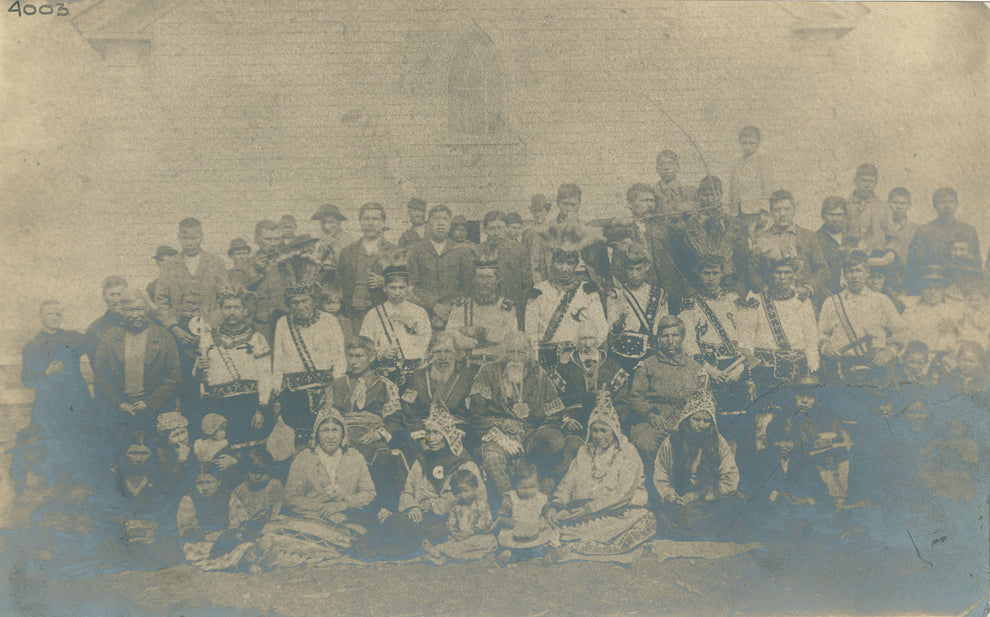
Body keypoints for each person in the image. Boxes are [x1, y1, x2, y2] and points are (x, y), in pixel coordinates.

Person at [355, 404, 483, 561]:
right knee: (392, 522)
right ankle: (372, 549)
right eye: (428, 433)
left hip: (452, 521)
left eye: (437, 433)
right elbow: (407, 491)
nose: (432, 438)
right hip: (421, 516)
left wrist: (433, 505)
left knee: (401, 529)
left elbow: (475, 498)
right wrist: (412, 506)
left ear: (448, 435)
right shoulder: (422, 460)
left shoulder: (464, 463)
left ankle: (382, 551)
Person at [546, 394, 656, 564]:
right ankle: (576, 542)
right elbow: (568, 483)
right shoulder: (584, 451)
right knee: (553, 522)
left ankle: (574, 547)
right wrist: (556, 505)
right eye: (594, 430)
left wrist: (591, 508)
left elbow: (624, 493)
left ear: (614, 430)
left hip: (617, 511)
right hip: (581, 512)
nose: (598, 436)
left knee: (644, 519)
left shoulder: (627, 452)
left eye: (603, 430)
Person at [260, 409, 376, 566]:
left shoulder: (355, 457)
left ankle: (327, 547)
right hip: (312, 516)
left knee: (362, 536)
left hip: (348, 515)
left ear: (343, 434)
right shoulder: (304, 458)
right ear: (317, 434)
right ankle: (331, 548)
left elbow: (369, 492)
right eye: (325, 430)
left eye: (335, 430)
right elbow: (290, 497)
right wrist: (324, 510)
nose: (330, 436)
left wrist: (343, 504)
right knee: (274, 530)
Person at [468, 333, 568, 497]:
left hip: (530, 434)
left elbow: (555, 413)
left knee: (552, 451)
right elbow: (476, 416)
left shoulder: (538, 374)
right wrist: (503, 440)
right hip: (496, 435)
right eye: (511, 352)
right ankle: (508, 506)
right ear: (503, 353)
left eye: (520, 352)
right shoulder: (488, 372)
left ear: (528, 354)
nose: (515, 358)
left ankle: (540, 506)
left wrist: (538, 436)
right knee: (492, 459)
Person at [155, 218, 227, 426]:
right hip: (180, 335)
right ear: (179, 238)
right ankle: (191, 433)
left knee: (214, 382)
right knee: (186, 386)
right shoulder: (170, 265)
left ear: (202, 237)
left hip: (210, 332)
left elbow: (225, 298)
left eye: (194, 237)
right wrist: (174, 328)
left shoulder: (215, 262)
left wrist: (209, 327)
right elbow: (161, 300)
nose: (189, 242)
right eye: (184, 237)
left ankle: (215, 433)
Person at [94, 288, 181, 448]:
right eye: (129, 310)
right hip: (121, 411)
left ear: (146, 309)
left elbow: (173, 377)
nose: (135, 315)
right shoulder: (110, 338)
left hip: (155, 410)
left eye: (139, 309)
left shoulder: (163, 336)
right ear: (121, 311)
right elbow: (101, 376)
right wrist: (119, 403)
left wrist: (150, 402)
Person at [653, 389, 744, 540]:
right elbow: (661, 474)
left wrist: (700, 495)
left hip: (708, 497)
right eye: (697, 419)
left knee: (735, 507)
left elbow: (729, 479)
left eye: (706, 421)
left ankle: (692, 530)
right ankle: (699, 531)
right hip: (681, 498)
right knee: (665, 514)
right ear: (687, 418)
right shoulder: (671, 442)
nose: (702, 425)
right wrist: (671, 494)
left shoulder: (718, 442)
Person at [329, 336, 404, 511]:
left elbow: (395, 419)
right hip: (342, 436)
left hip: (370, 436)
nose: (353, 361)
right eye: (351, 356)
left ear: (371, 358)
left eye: (359, 356)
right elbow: (328, 415)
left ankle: (379, 508)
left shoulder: (385, 385)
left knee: (382, 455)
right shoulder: (338, 384)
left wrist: (379, 434)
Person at [271, 279, 347, 448]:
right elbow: (278, 360)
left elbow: (339, 358)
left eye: (304, 300)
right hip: (294, 393)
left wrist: (336, 390)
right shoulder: (283, 323)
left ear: (313, 300)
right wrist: (276, 391)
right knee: (299, 441)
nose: (300, 306)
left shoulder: (329, 320)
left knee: (325, 439)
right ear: (289, 304)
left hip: (325, 391)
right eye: (295, 302)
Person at [194, 288, 273, 447]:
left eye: (236, 307)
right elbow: (201, 378)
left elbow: (265, 378)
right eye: (227, 307)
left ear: (245, 311)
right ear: (221, 310)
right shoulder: (208, 339)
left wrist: (261, 409)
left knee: (251, 451)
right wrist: (200, 371)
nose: (232, 312)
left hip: (249, 405)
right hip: (220, 407)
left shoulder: (256, 339)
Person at [525, 224, 608, 368]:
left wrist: (585, 351)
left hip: (579, 360)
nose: (564, 268)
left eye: (569, 263)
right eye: (560, 262)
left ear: (576, 264)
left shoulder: (588, 291)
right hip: (547, 361)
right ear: (553, 263)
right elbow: (530, 332)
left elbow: (601, 330)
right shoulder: (538, 291)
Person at [819, 251, 908, 385]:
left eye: (858, 271)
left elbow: (902, 331)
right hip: (841, 369)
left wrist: (889, 351)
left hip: (874, 369)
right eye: (849, 272)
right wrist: (825, 347)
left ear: (867, 273)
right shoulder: (832, 302)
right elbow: (820, 333)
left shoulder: (881, 300)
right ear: (844, 274)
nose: (854, 276)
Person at [627, 316, 706, 466]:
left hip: (685, 423)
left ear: (682, 337)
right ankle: (656, 486)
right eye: (665, 336)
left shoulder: (695, 368)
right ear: (658, 339)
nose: (670, 340)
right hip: (652, 423)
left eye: (675, 335)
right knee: (646, 444)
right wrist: (651, 415)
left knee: (692, 449)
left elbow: (704, 400)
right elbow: (635, 398)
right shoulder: (647, 365)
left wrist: (690, 421)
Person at [742, 416, 833, 541]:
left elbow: (820, 489)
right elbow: (753, 484)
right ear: (769, 440)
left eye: (787, 440)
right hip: (772, 507)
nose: (782, 445)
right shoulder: (763, 457)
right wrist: (774, 495)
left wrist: (805, 500)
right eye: (777, 440)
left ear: (795, 442)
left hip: (799, 508)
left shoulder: (804, 459)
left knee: (816, 516)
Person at [739, 258, 822, 393]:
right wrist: (749, 370)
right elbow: (746, 337)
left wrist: (813, 364)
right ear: (770, 274)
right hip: (765, 370)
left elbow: (810, 337)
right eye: (778, 272)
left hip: (797, 369)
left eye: (787, 272)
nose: (782, 277)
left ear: (794, 275)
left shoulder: (802, 301)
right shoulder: (756, 300)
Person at [21, 300, 93, 450]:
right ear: (40, 316)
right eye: (49, 314)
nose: (54, 317)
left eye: (57, 314)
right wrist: (46, 372)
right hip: (50, 405)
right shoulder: (32, 346)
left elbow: (96, 345)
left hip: (77, 400)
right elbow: (26, 380)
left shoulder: (73, 338)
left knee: (82, 444)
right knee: (52, 447)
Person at [392, 333, 474, 461]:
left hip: (455, 430)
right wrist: (424, 435)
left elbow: (471, 412)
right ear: (430, 354)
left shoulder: (466, 377)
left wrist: (457, 430)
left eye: (447, 351)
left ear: (456, 354)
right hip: (424, 430)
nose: (442, 357)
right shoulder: (417, 377)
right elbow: (408, 410)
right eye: (437, 352)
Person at [549, 329, 630, 454]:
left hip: (606, 423)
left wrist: (613, 421)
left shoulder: (612, 366)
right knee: (574, 447)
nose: (587, 344)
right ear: (577, 341)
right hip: (576, 422)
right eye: (583, 339)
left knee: (619, 451)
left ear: (598, 340)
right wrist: (565, 419)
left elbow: (623, 399)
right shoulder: (565, 367)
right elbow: (553, 396)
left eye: (591, 338)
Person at [749, 190, 830, 304]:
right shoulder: (762, 237)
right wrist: (764, 289)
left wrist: (808, 288)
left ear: (794, 211)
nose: (782, 214)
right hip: (773, 300)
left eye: (787, 209)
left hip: (803, 299)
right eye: (777, 210)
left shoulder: (808, 236)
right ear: (771, 212)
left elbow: (823, 269)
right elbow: (752, 271)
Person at [359, 262, 432, 386]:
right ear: (384, 288)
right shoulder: (374, 314)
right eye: (393, 288)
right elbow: (365, 346)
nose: (397, 292)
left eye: (401, 287)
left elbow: (427, 341)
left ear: (409, 288)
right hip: (384, 373)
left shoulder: (419, 312)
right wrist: (381, 354)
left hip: (414, 373)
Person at [407, 204, 476, 329]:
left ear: (450, 224)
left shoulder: (462, 250)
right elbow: (412, 285)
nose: (440, 223)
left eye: (445, 219)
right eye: (436, 219)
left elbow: (468, 285)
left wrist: (449, 306)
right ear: (428, 223)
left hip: (454, 313)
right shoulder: (416, 250)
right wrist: (433, 305)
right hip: (424, 313)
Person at [606, 243, 672, 370]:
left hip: (650, 356)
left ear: (647, 267)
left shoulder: (658, 294)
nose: (634, 274)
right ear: (624, 269)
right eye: (630, 269)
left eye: (639, 269)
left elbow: (662, 328)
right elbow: (611, 332)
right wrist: (620, 320)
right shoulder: (616, 294)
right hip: (620, 356)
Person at [444, 259, 520, 369]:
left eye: (489, 277)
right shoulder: (461, 306)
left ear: (497, 280)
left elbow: (511, 340)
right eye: (480, 277)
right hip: (467, 366)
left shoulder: (506, 308)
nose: (484, 283)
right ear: (473, 280)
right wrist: (477, 342)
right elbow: (450, 338)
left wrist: (483, 333)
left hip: (497, 367)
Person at [683, 176, 751, 295]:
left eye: (714, 194)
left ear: (720, 195)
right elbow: (685, 260)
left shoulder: (733, 224)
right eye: (705, 194)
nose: (709, 199)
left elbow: (742, 258)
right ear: (699, 196)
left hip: (730, 284)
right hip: (699, 286)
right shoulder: (691, 225)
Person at [337, 202, 399, 329]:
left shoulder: (394, 251)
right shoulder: (348, 252)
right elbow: (339, 284)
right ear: (360, 221)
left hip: (383, 315)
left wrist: (385, 282)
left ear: (383, 222)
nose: (370, 223)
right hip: (353, 315)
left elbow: (404, 285)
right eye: (366, 218)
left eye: (375, 219)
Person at [421, 468, 497, 564]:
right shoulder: (456, 505)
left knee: (478, 543)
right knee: (454, 544)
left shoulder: (480, 504)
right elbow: (451, 521)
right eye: (458, 492)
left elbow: (483, 523)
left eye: (466, 491)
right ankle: (440, 553)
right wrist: (455, 533)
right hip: (461, 537)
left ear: (475, 488)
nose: (463, 495)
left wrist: (469, 533)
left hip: (479, 535)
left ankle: (441, 554)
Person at [908, 187, 981, 282]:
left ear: (956, 204)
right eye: (942, 202)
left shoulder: (969, 231)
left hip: (962, 283)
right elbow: (914, 265)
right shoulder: (924, 231)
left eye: (951, 201)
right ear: (935, 206)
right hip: (933, 283)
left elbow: (977, 264)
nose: (947, 206)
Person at [494, 462, 559, 565]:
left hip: (536, 533)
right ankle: (509, 555)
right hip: (517, 534)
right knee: (513, 547)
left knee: (552, 534)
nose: (528, 491)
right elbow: (500, 517)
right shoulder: (510, 499)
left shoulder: (540, 498)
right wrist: (515, 524)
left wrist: (548, 519)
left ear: (538, 484)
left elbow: (546, 513)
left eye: (532, 487)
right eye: (523, 488)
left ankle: (549, 553)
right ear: (516, 485)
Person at [900, 266, 966, 367]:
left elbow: (960, 337)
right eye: (928, 288)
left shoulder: (952, 311)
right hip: (916, 359)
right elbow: (904, 336)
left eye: (937, 288)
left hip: (944, 359)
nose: (932, 292)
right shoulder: (911, 311)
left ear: (943, 291)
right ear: (922, 290)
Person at [478, 210, 533, 327]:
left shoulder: (519, 250)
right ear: (485, 230)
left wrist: (520, 309)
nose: (496, 233)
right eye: (491, 228)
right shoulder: (477, 251)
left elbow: (526, 284)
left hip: (512, 308)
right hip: (485, 309)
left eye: (499, 228)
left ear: (505, 228)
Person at [240, 220, 288, 343]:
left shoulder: (287, 262)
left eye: (276, 239)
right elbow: (238, 291)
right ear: (257, 239)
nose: (273, 244)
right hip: (257, 324)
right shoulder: (246, 264)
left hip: (284, 321)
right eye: (268, 239)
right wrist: (257, 273)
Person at [176, 465, 231, 566]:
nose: (205, 488)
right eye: (199, 483)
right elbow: (185, 530)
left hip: (224, 538)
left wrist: (225, 536)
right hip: (200, 541)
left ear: (219, 482)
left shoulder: (228, 497)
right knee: (193, 550)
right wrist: (207, 536)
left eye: (209, 482)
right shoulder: (189, 499)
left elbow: (238, 521)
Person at [727, 125, 774, 234]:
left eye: (752, 143)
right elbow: (732, 188)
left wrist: (764, 211)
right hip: (738, 211)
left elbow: (767, 188)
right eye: (744, 143)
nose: (748, 147)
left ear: (758, 143)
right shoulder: (737, 162)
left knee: (753, 237)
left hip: (755, 211)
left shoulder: (762, 161)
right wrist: (732, 210)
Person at [814, 197, 856, 300]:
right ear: (823, 215)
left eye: (839, 215)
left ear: (845, 216)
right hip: (828, 297)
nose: (835, 219)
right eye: (831, 214)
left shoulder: (852, 239)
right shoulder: (814, 240)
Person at [84, 275, 128, 363]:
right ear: (104, 296)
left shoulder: (136, 323)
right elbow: (96, 365)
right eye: (111, 295)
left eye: (119, 294)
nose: (116, 300)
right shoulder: (95, 329)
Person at [845, 164, 886, 252]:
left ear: (876, 183)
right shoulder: (846, 205)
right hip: (849, 255)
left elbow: (891, 236)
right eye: (863, 180)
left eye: (871, 181)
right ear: (856, 181)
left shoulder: (883, 208)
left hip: (876, 257)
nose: (867, 185)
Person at [312, 203, 356, 274]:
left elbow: (350, 266)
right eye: (323, 222)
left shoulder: (347, 240)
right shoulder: (320, 240)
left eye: (331, 222)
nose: (326, 226)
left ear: (339, 222)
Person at [654, 150, 692, 216]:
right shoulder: (653, 192)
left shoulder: (689, 191)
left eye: (671, 163)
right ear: (657, 169)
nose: (666, 167)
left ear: (678, 167)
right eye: (661, 164)